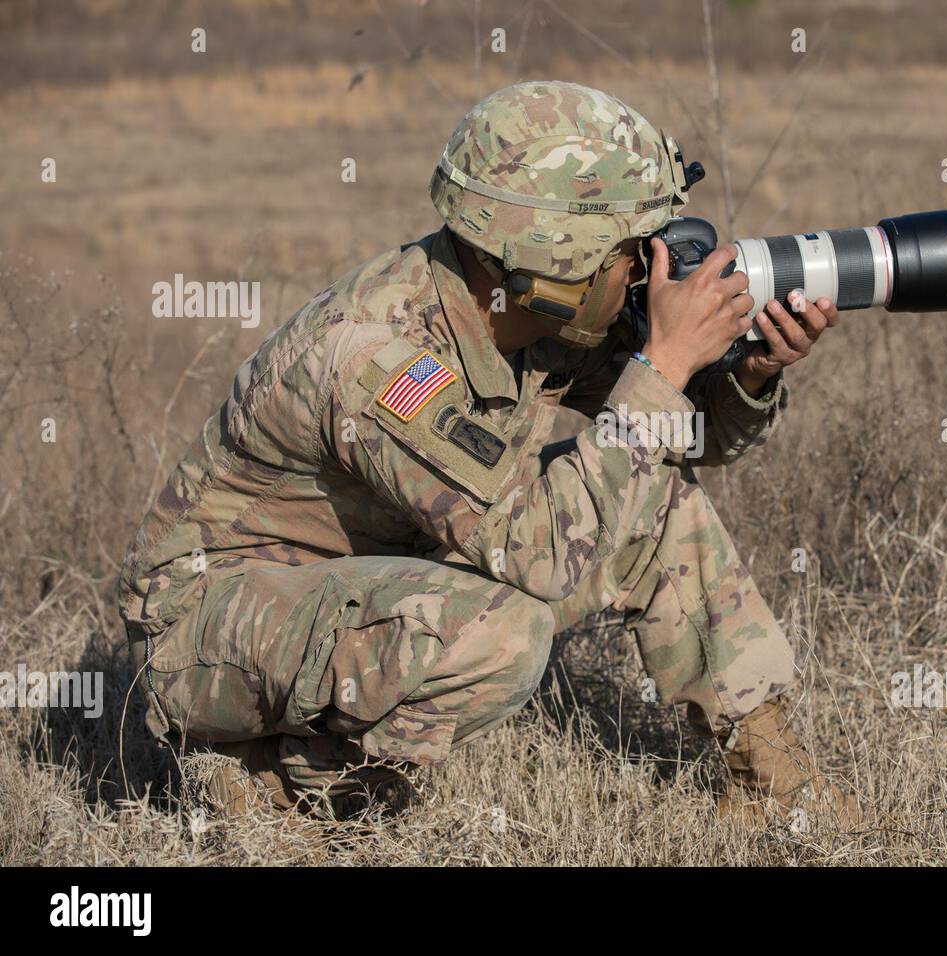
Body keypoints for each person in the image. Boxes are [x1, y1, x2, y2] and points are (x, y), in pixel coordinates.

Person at [118, 80, 859, 827]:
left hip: (372, 576)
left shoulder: (537, 312)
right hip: (218, 623)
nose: (650, 272)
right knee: (499, 630)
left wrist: (749, 375)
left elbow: (683, 440)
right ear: (553, 256)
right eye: (635, 253)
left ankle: (772, 784)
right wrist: (661, 367)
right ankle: (274, 785)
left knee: (655, 500)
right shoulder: (380, 357)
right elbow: (541, 557)